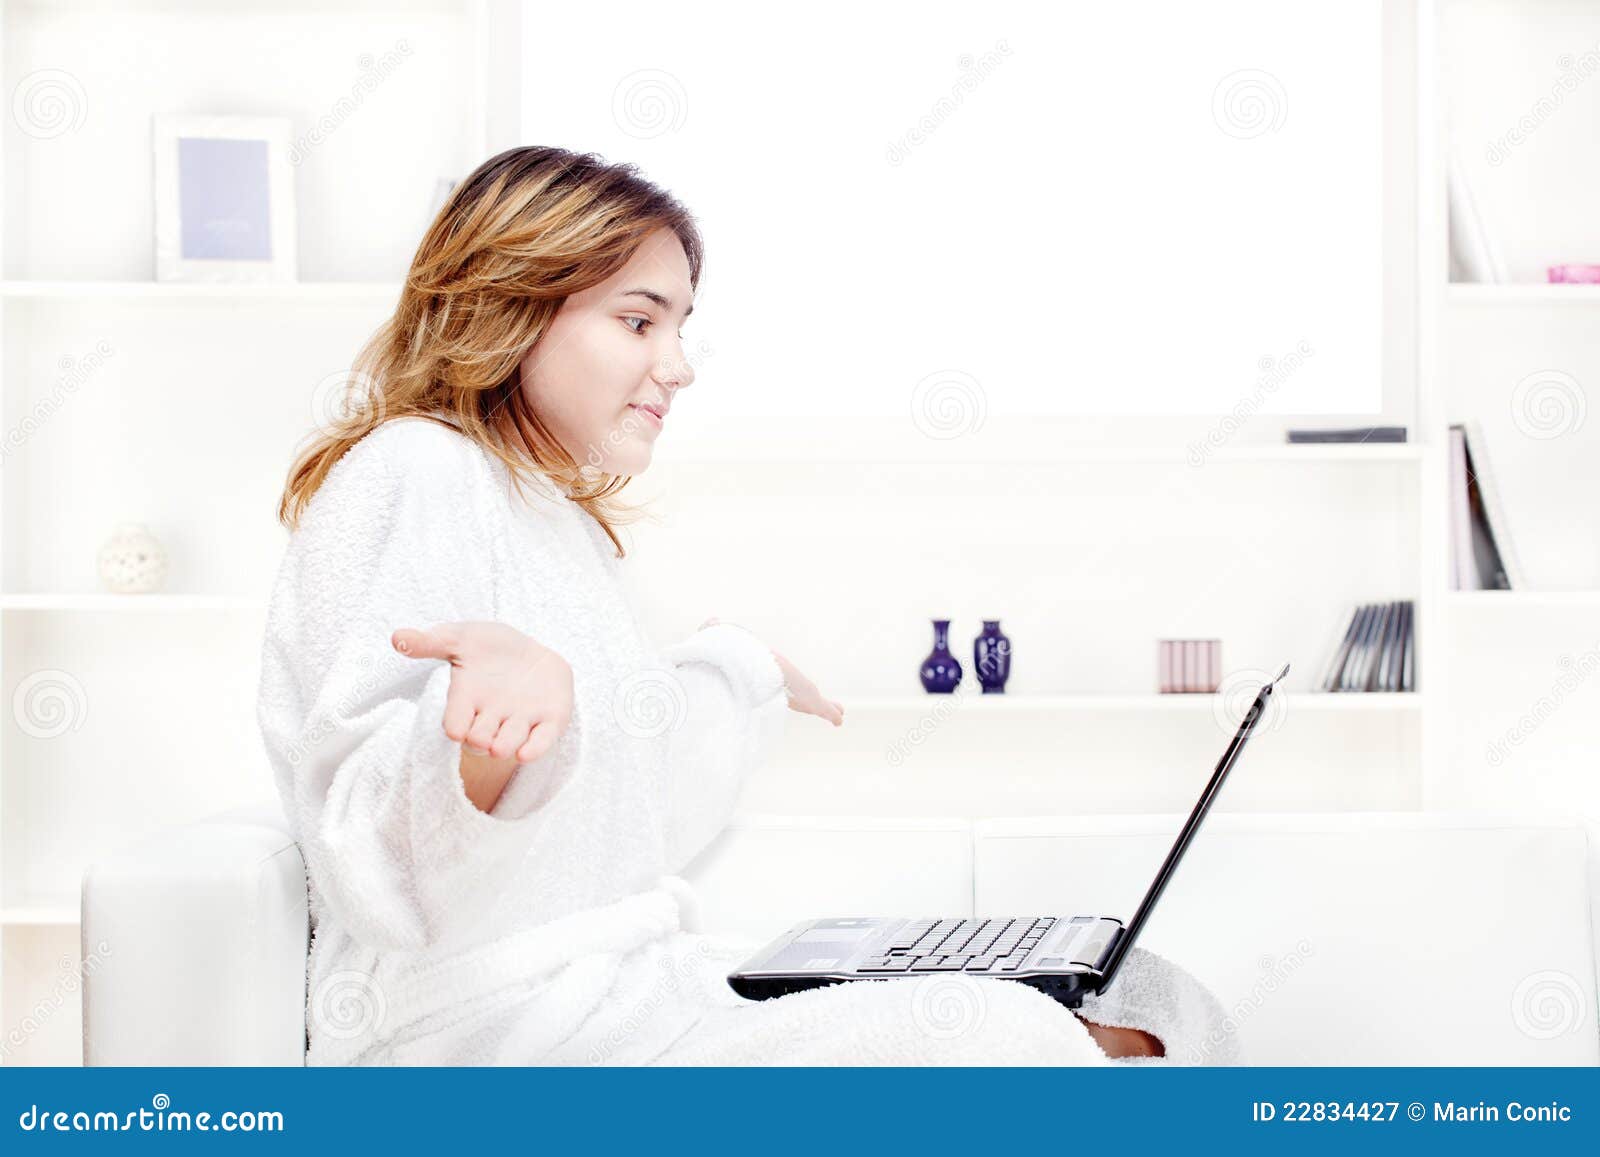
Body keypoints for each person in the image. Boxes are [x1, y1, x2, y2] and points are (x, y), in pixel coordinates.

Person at [256, 145, 1234, 1066]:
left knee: (1136, 995)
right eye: (639, 322)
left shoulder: (556, 521)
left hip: (621, 995)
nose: (676, 365)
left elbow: (631, 824)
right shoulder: (413, 470)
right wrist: (473, 745)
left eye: (679, 326)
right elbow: (369, 868)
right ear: (512, 304)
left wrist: (732, 668)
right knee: (1007, 1034)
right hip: (489, 1038)